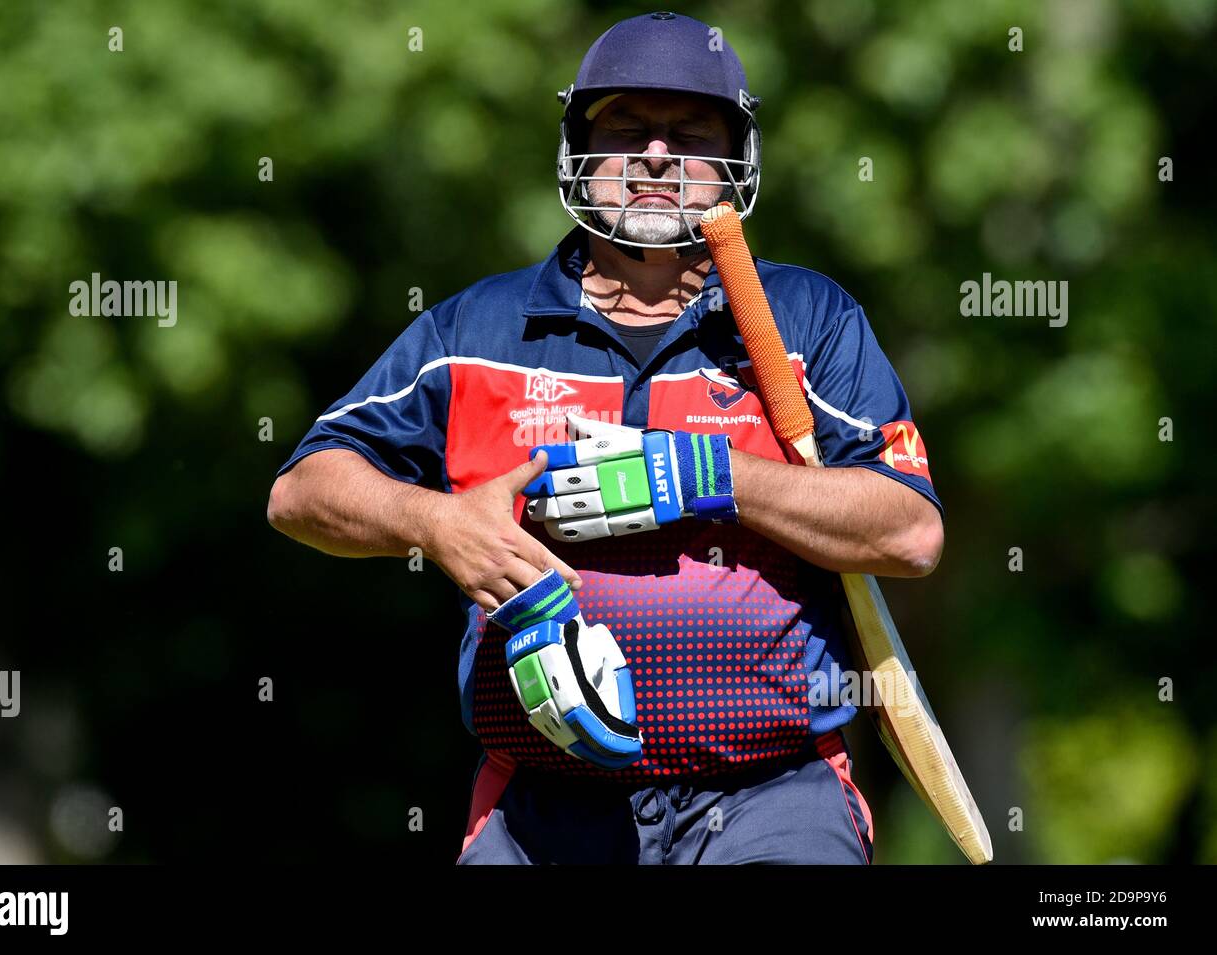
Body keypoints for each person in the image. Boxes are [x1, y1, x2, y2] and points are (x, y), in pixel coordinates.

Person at [267, 11, 943, 864]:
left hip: (774, 791)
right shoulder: (476, 328)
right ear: (578, 152)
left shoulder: (805, 318)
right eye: (626, 128)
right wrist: (434, 523)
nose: (657, 156)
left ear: (736, 159)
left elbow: (910, 532)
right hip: (541, 801)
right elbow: (300, 491)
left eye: (690, 133)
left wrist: (712, 474)